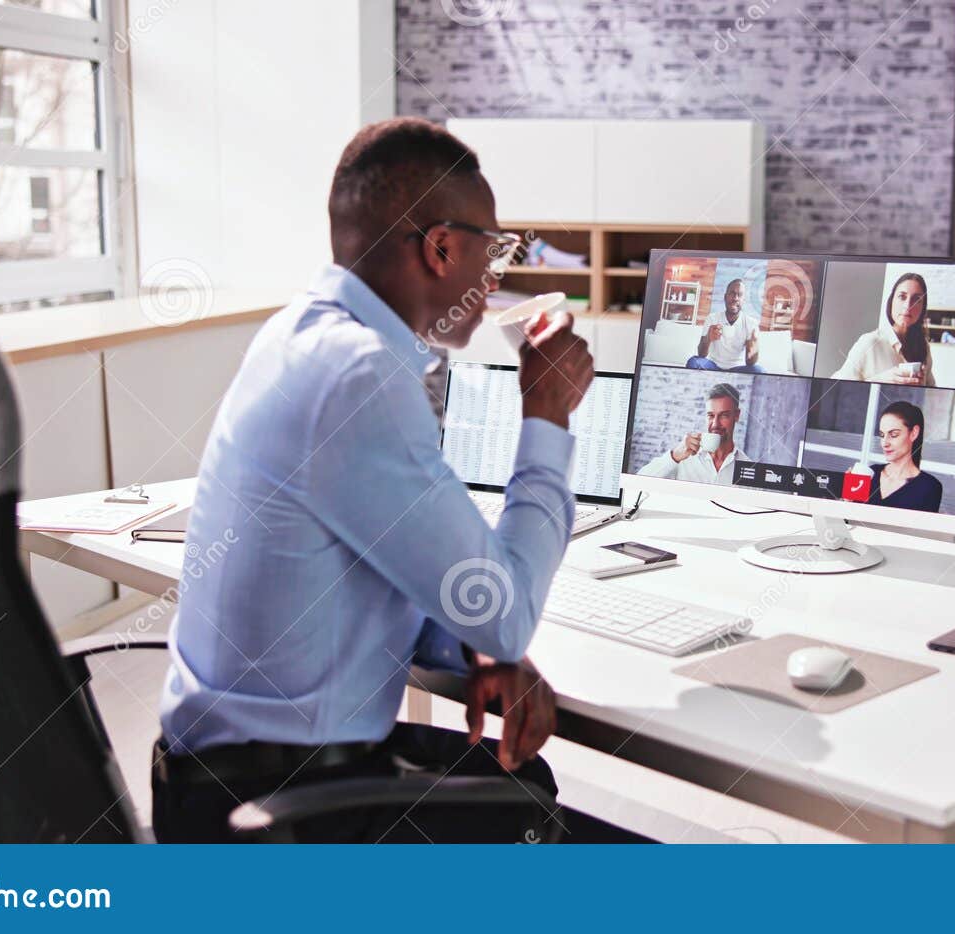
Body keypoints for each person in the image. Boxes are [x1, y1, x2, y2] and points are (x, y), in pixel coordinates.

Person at [153, 117, 639, 843]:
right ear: (442, 247)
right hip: (277, 814)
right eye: (496, 247)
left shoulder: (301, 339)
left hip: (229, 781)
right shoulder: (360, 379)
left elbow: (388, 566)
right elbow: (505, 610)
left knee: (523, 790)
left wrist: (467, 645)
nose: (498, 273)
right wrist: (546, 413)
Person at [831, 272, 936, 386]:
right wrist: (879, 381)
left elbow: (932, 387)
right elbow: (836, 386)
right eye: (902, 297)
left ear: (923, 307)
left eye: (916, 299)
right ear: (891, 301)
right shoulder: (869, 342)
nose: (908, 305)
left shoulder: (923, 346)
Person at [639, 382, 749, 484]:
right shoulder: (683, 457)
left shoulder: (748, 467)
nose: (715, 424)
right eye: (710, 415)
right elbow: (640, 481)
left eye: (724, 415)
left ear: (736, 415)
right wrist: (674, 456)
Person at [867, 401, 943, 512]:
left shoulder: (930, 487)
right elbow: (849, 519)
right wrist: (845, 496)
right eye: (882, 435)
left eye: (894, 435)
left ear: (913, 433)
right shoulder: (871, 473)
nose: (884, 443)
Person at [686, 279, 763, 372]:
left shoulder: (751, 323)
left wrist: (753, 347)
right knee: (693, 362)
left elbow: (750, 363)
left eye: (740, 295)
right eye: (732, 293)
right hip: (713, 366)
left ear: (743, 300)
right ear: (725, 297)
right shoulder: (712, 318)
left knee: (759, 371)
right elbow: (701, 354)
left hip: (737, 369)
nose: (735, 298)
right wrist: (708, 338)